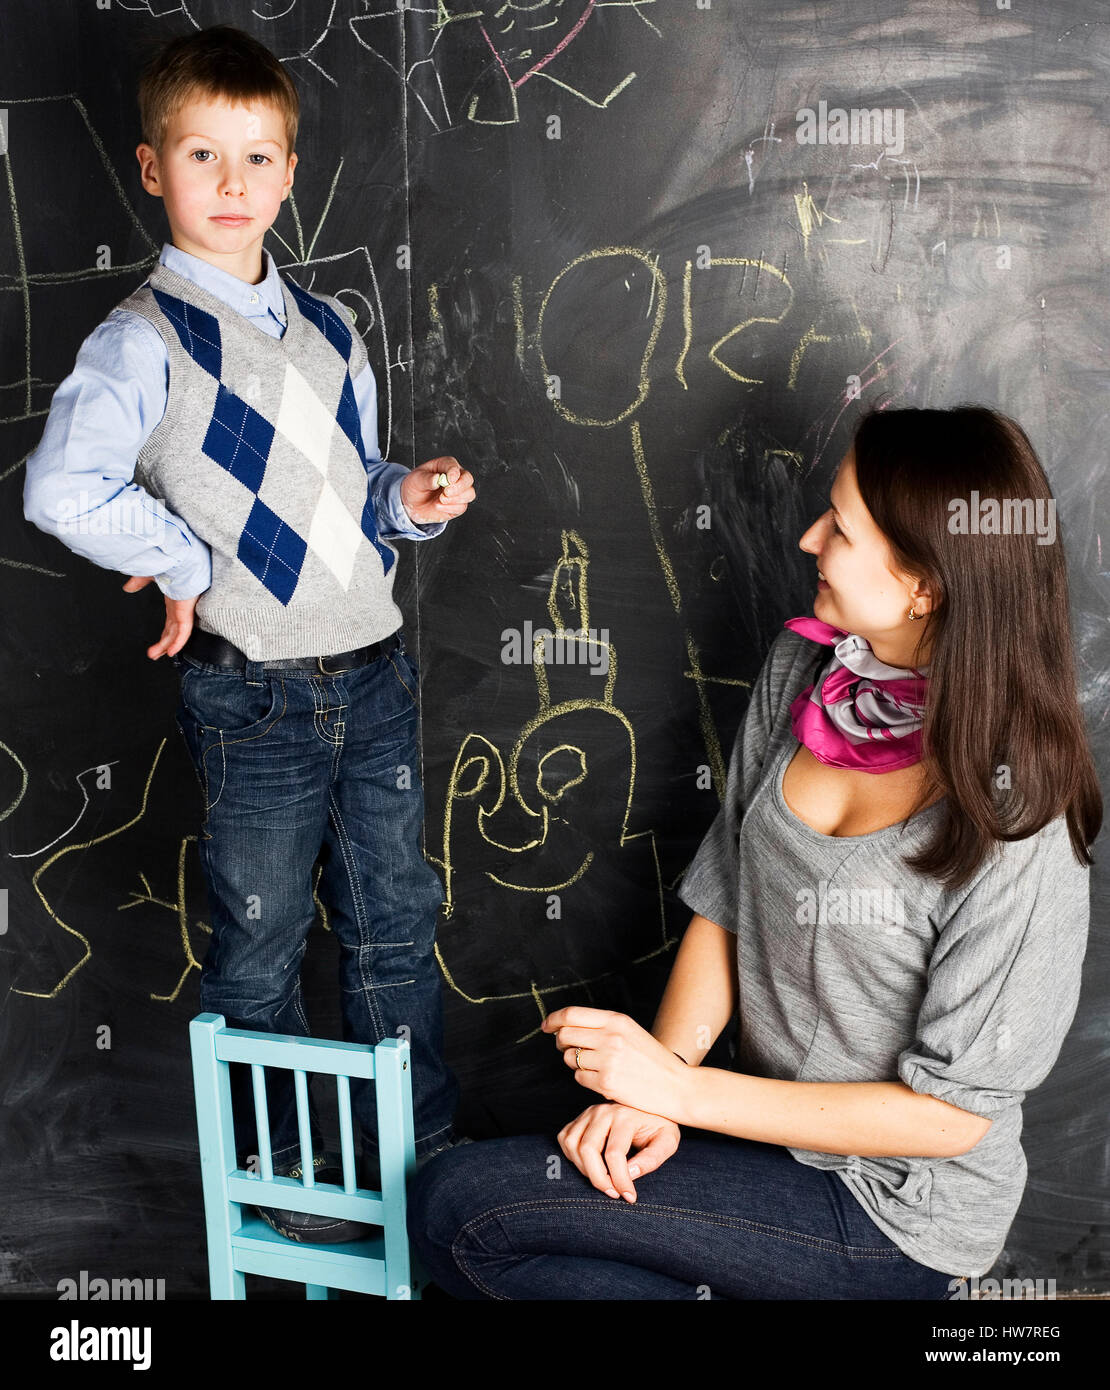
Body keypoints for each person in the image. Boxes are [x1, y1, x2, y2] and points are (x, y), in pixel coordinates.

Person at [407, 404, 1100, 1299]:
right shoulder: (803, 671)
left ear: (925, 584)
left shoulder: (1017, 816)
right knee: (472, 1215)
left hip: (894, 1207)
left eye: (841, 527)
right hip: (762, 1142)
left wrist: (678, 1096)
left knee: (470, 1209)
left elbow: (951, 1118)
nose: (810, 538)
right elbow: (726, 896)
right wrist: (651, 1092)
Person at [22, 26, 476, 1241]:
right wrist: (179, 558)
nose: (233, 185)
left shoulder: (332, 327)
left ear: (289, 174)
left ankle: (421, 1168)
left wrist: (407, 500)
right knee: (262, 946)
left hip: (373, 671)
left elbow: (354, 481)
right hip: (254, 693)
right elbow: (60, 490)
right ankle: (293, 1184)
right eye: (203, 156)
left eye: (258, 157)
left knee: (395, 922)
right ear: (151, 169)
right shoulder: (142, 341)